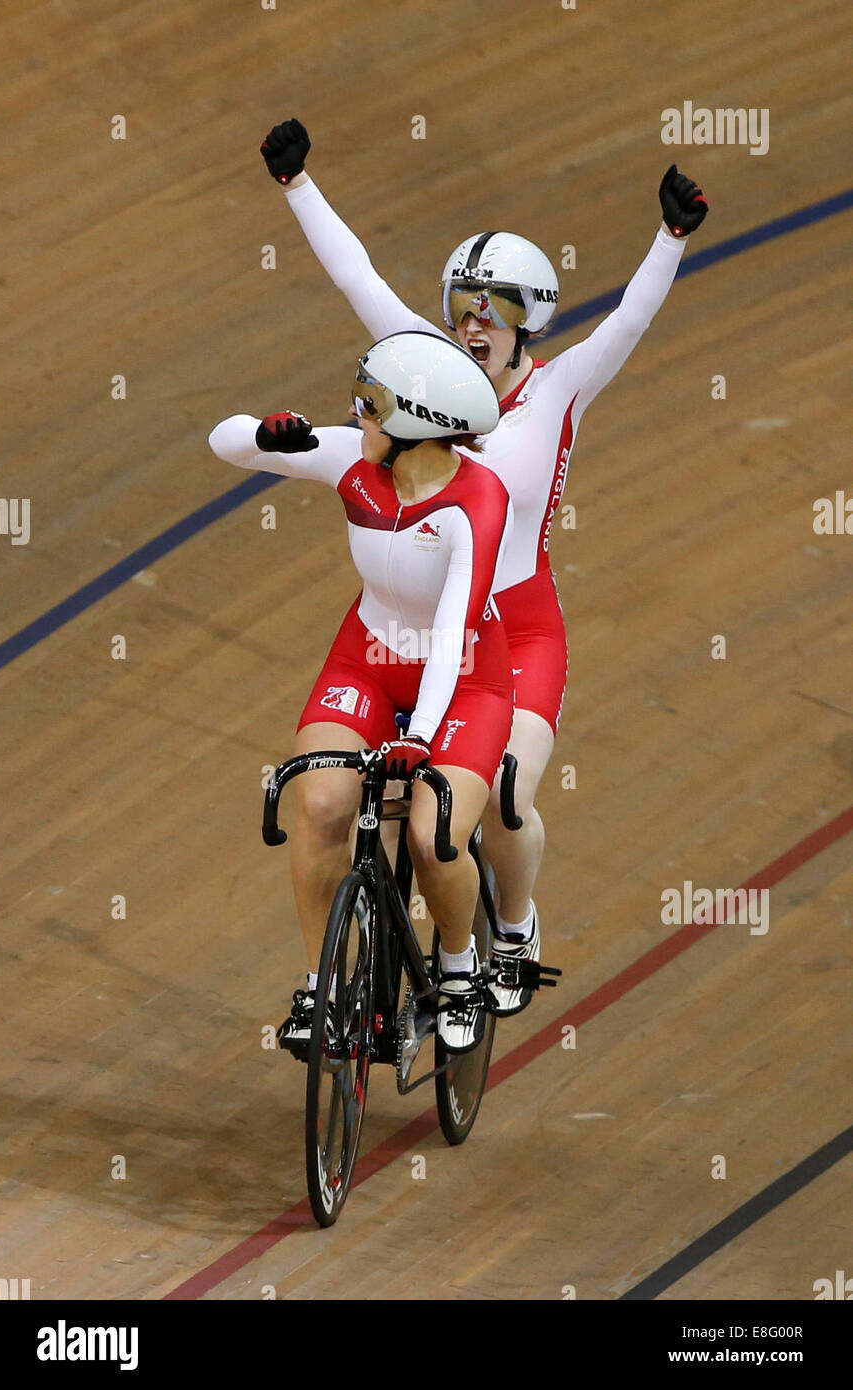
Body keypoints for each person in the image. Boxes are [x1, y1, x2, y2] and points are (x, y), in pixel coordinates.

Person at [259, 118, 709, 1014]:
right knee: (387, 812)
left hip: (513, 628)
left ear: (528, 326)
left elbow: (631, 317)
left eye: (492, 312)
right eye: (462, 304)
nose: (471, 325)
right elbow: (360, 278)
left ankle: (518, 923)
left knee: (502, 799)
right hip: (412, 625)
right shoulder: (421, 365)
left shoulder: (561, 386)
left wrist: (669, 239)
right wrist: (296, 185)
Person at [209, 331, 513, 1052]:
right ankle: (320, 990)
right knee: (319, 802)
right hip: (367, 663)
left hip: (465, 677)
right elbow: (224, 444)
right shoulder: (355, 456)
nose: (356, 414)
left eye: (371, 406)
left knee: (432, 836)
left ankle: (459, 967)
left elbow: (450, 633)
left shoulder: (477, 500)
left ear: (414, 422)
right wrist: (265, 434)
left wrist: (417, 736)